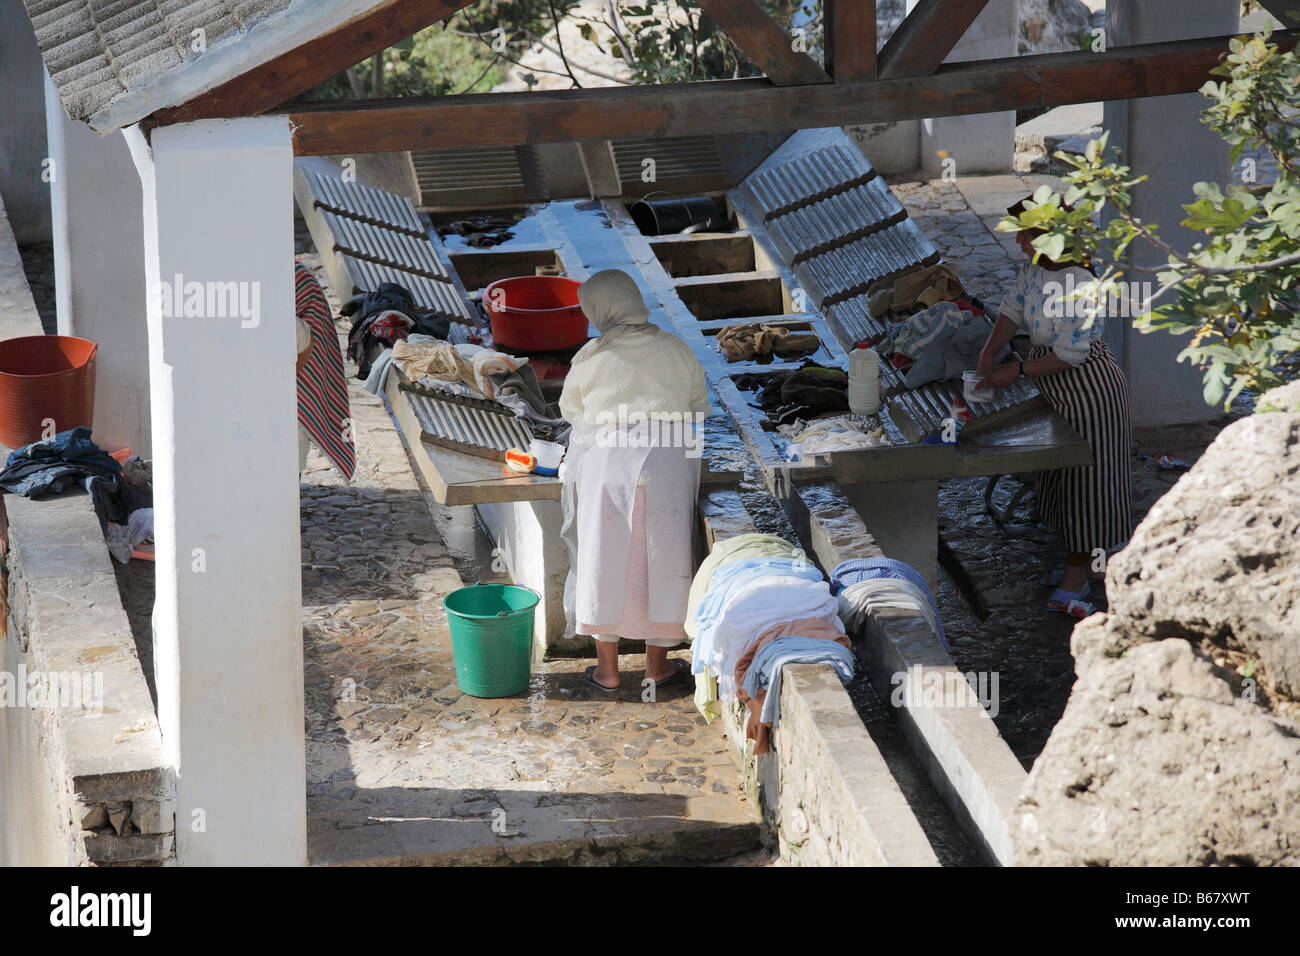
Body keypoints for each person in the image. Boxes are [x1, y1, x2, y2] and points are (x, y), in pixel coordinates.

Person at [976, 199, 1133, 616]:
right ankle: (1086, 563)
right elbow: (1011, 309)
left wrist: (1019, 370)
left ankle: (1076, 579)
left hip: (1090, 393)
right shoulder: (1036, 270)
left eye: (1025, 234)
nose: (1018, 241)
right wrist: (989, 352)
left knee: (1088, 487)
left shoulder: (1081, 283)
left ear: (1047, 237)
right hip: (1056, 389)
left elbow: (1071, 355)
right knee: (1060, 482)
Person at [559, 269, 711, 691]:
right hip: (667, 461)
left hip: (607, 464)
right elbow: (700, 405)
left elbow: (570, 410)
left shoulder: (591, 357)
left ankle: (607, 673)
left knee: (603, 556)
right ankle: (655, 669)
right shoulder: (677, 348)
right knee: (664, 556)